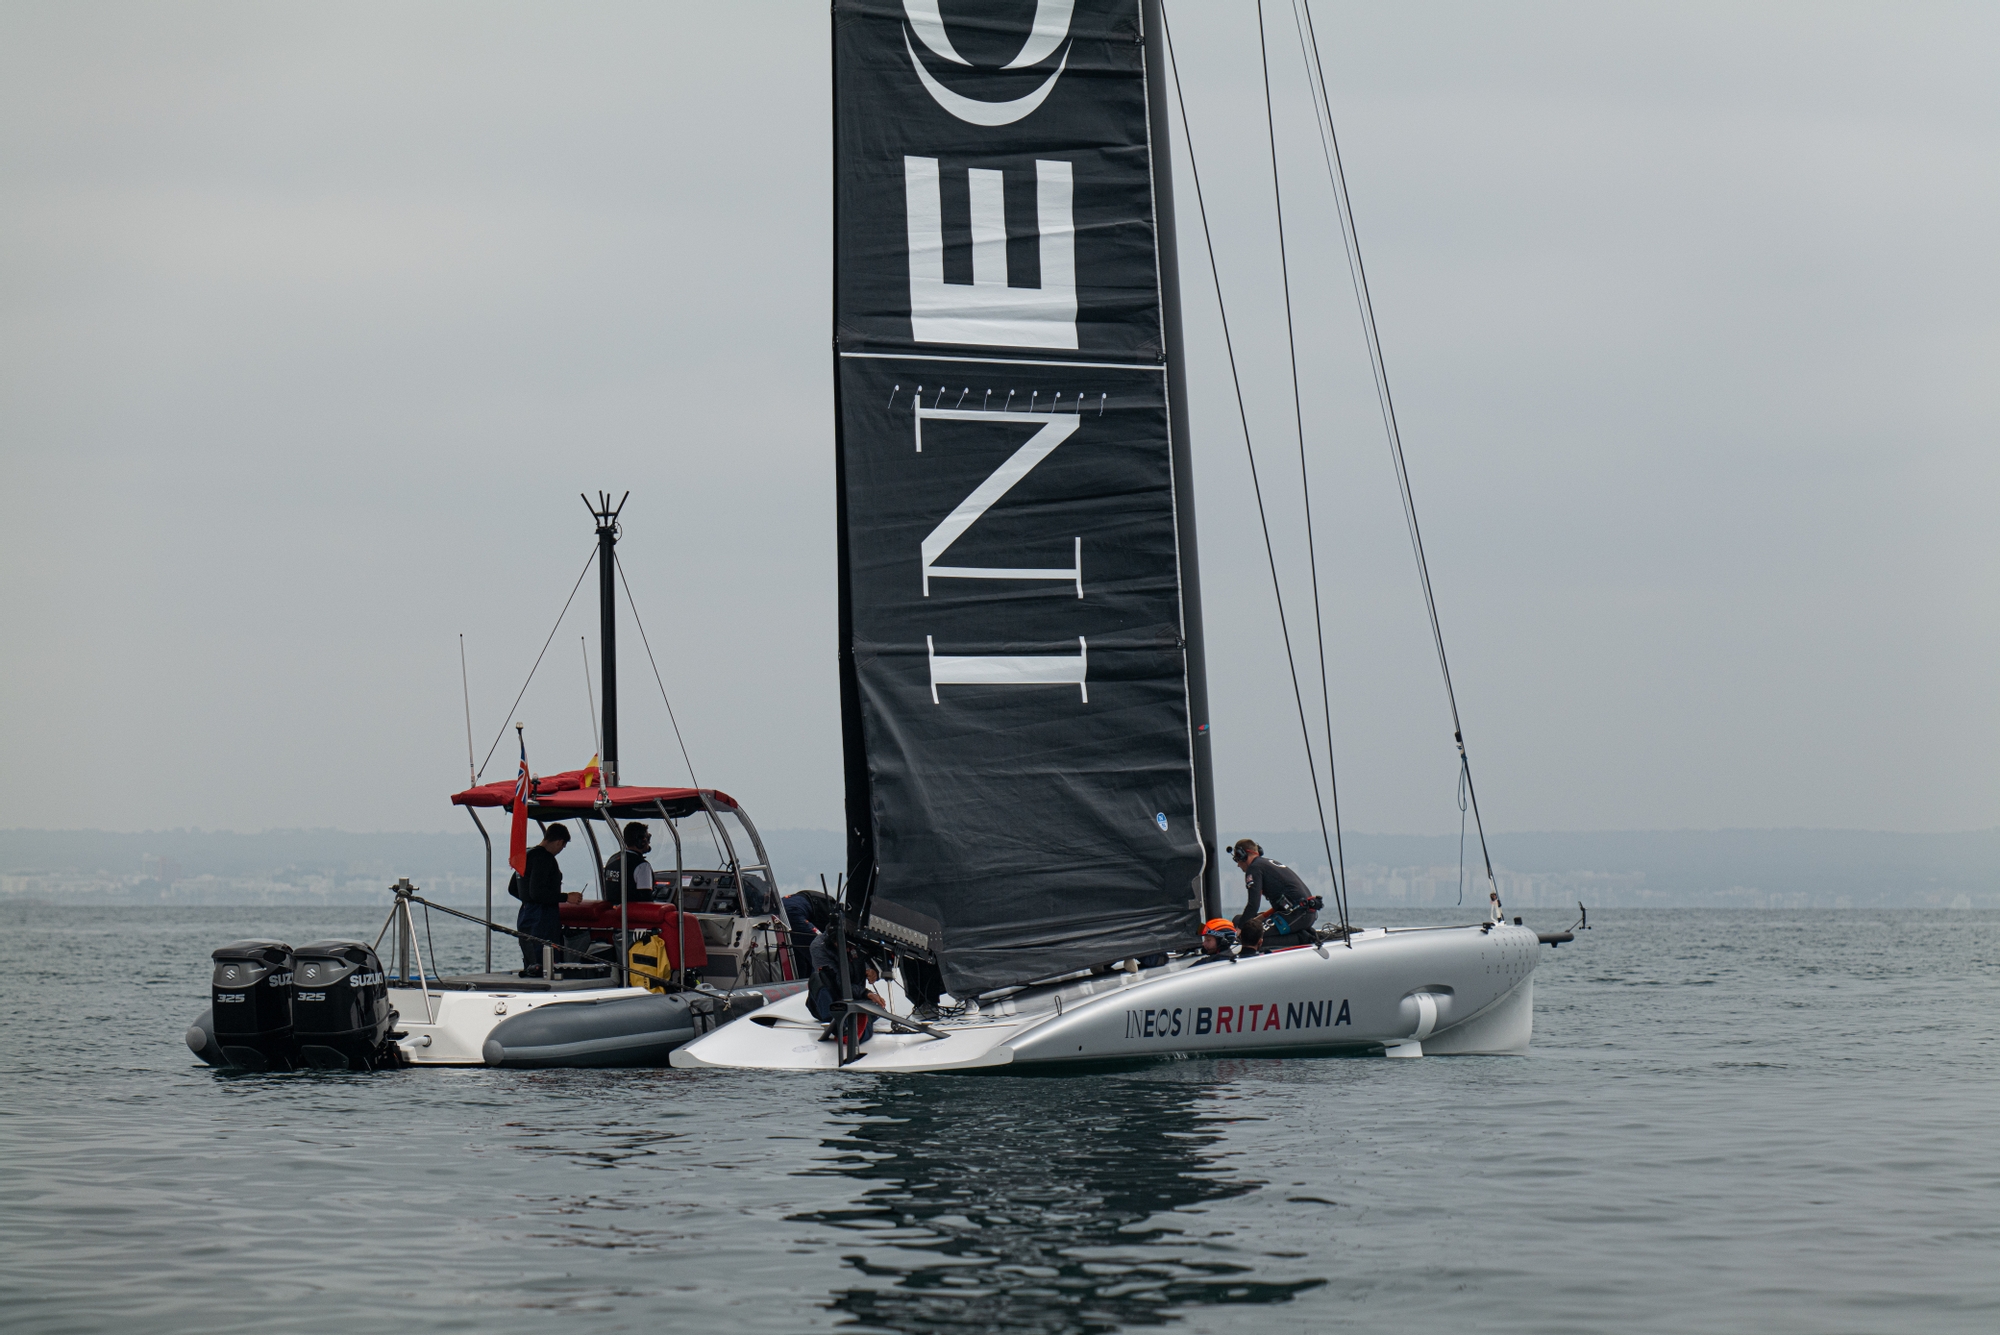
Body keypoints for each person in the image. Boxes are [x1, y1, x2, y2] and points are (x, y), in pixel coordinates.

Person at [1230, 838, 1320, 948]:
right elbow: (1280, 905)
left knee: (1251, 938)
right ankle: (1300, 933)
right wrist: (1256, 919)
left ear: (1242, 855)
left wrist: (1240, 930)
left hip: (1297, 915)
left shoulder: (1254, 868)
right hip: (1301, 913)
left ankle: (1303, 938)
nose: (1238, 865)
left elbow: (1253, 904)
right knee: (1238, 920)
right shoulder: (1264, 864)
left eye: (1237, 859)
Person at [515, 824, 574, 976]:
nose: (560, 850)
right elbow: (538, 893)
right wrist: (566, 897)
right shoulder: (545, 859)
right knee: (546, 960)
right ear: (559, 842)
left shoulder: (527, 854)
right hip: (542, 916)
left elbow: (512, 888)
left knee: (531, 958)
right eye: (563, 846)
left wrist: (527, 900)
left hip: (525, 913)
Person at [807, 928, 883, 1041]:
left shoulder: (858, 940)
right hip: (832, 996)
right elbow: (839, 983)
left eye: (850, 946)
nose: (848, 949)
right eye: (845, 946)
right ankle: (837, 1024)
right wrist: (866, 993)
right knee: (818, 978)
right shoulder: (819, 947)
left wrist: (873, 970)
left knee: (876, 1008)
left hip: (855, 996)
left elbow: (874, 958)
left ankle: (857, 1030)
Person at [600, 822, 655, 905]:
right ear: (641, 841)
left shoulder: (612, 859)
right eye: (647, 839)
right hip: (632, 915)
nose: (648, 842)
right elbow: (645, 900)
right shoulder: (642, 866)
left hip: (613, 913)